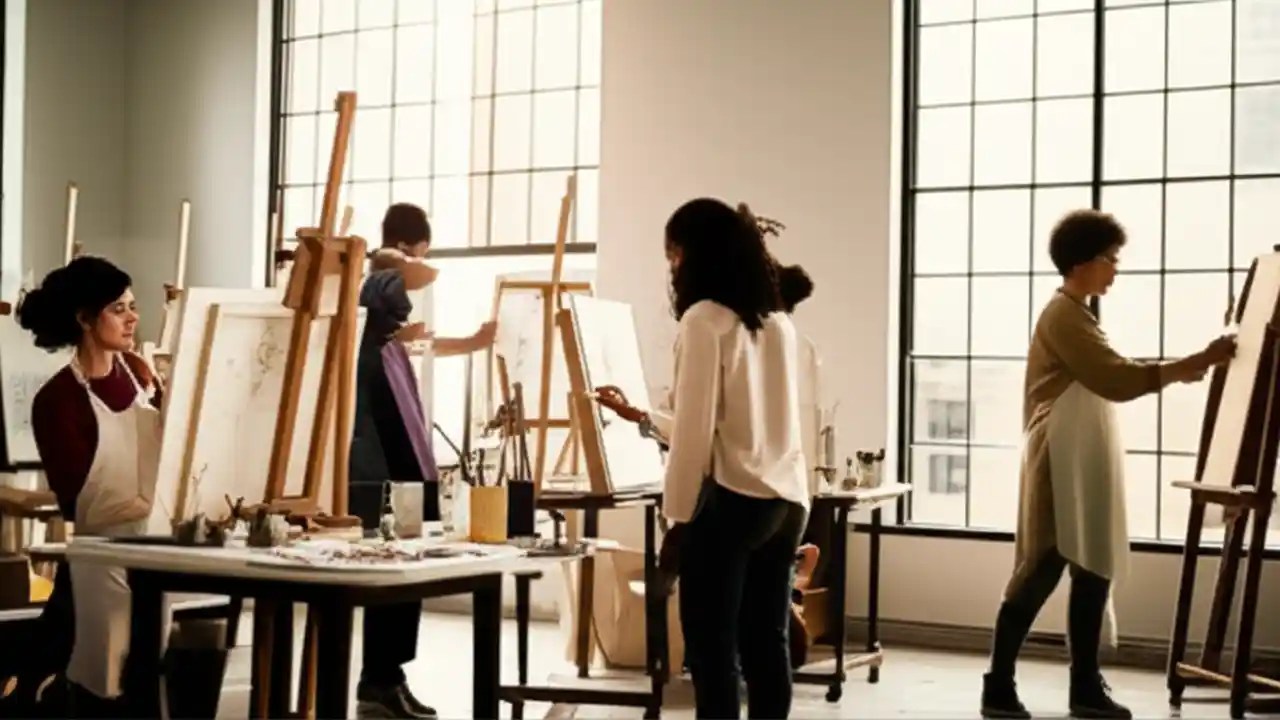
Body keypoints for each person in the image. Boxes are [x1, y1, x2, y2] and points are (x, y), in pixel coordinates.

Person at [981, 209, 1236, 720]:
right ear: (1083, 262)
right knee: (1044, 567)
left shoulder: (1076, 313)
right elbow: (1114, 378)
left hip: (1078, 455)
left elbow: (1112, 374)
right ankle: (1003, 685)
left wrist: (1181, 370)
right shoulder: (1063, 315)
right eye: (1110, 260)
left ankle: (1080, 687)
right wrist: (1196, 362)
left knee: (1090, 566)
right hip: (1061, 456)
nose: (1115, 270)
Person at [597, 198, 810, 719]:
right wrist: (643, 416)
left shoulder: (702, 320)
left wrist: (678, 520)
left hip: (734, 502)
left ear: (692, 254)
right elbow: (736, 423)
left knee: (712, 653)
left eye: (672, 254)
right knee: (766, 644)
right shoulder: (774, 321)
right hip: (786, 503)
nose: (670, 267)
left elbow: (695, 437)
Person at [348, 202, 496, 719]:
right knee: (392, 573)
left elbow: (417, 328)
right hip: (380, 465)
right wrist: (393, 260)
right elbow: (394, 282)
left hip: (404, 458)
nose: (407, 310)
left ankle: (388, 677)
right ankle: (379, 679)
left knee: (406, 572)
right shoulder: (368, 288)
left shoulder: (387, 331)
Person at [18, 256, 163, 718]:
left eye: (132, 306)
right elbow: (77, 497)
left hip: (158, 549)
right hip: (101, 555)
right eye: (118, 308)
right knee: (104, 686)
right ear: (84, 319)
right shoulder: (57, 400)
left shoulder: (142, 376)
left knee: (155, 675)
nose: (132, 317)